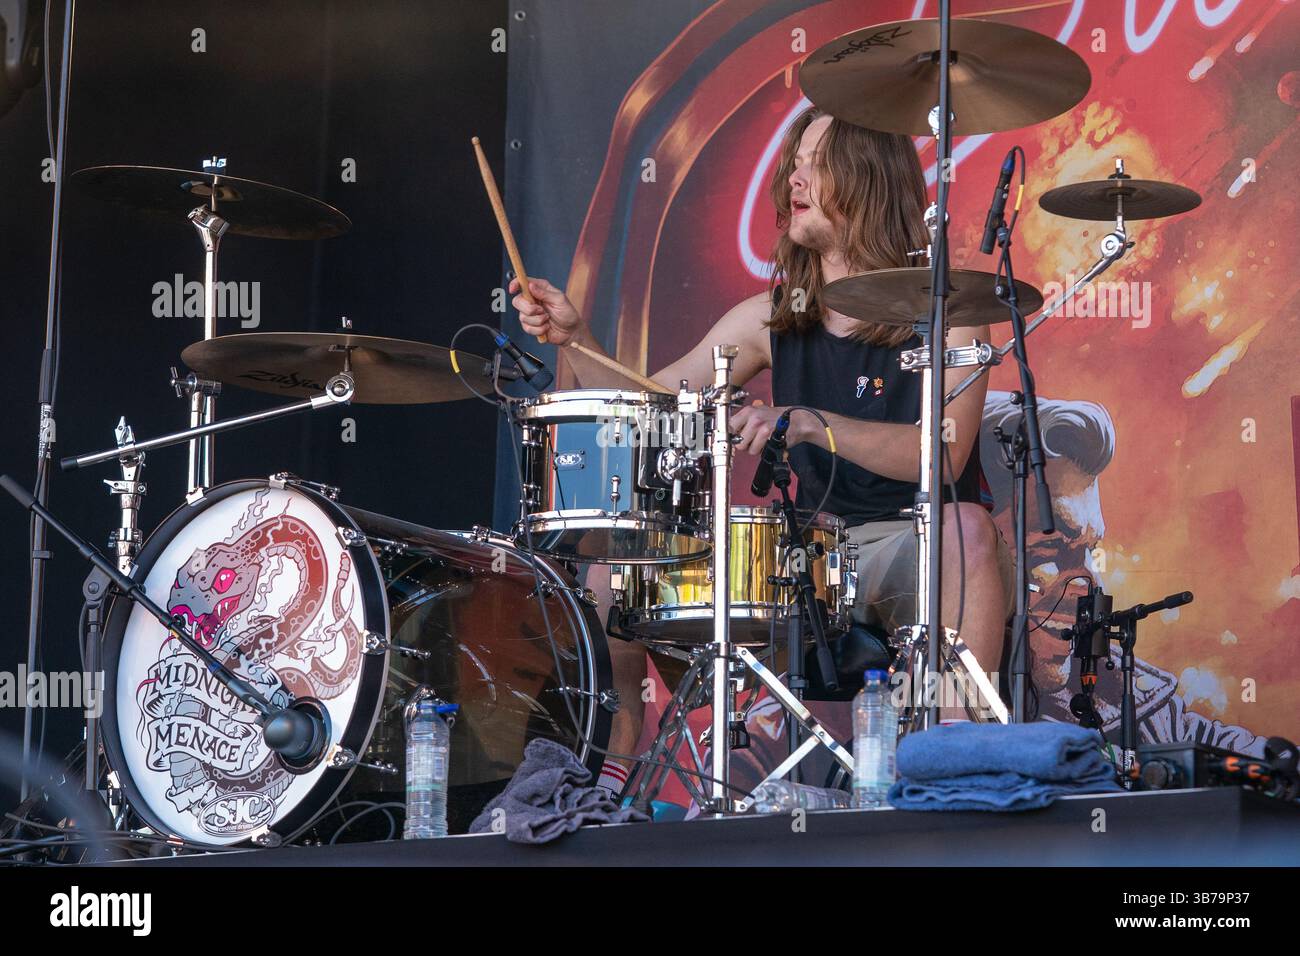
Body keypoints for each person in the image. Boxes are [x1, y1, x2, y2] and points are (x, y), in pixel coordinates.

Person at [511, 106, 1015, 797]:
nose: (792, 180)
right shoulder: (773, 317)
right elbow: (643, 408)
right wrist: (575, 340)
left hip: (913, 541)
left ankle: (959, 785)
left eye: (814, 163)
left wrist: (809, 422)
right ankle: (610, 797)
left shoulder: (950, 309)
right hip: (808, 559)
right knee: (609, 575)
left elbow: (943, 457)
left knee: (968, 530)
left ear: (868, 179)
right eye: (792, 165)